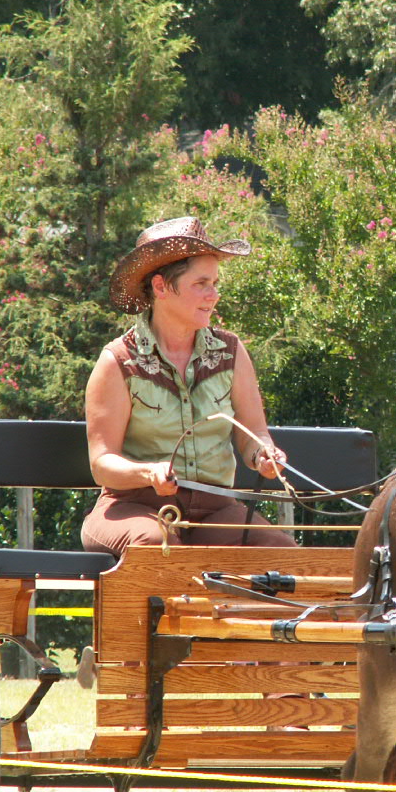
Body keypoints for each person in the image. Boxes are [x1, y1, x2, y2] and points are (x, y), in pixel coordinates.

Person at [81, 216, 296, 556]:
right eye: (201, 284)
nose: (215, 295)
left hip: (217, 513)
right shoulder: (117, 361)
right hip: (131, 508)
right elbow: (102, 463)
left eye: (215, 282)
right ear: (161, 287)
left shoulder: (232, 352)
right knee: (155, 544)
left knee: (280, 551)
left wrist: (263, 455)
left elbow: (254, 434)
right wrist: (147, 472)